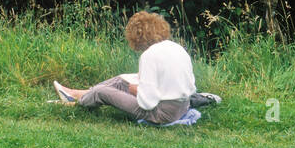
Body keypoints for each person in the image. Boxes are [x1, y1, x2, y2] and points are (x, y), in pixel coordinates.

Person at [53, 11, 199, 125]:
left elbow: (147, 103)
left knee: (101, 92)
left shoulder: (149, 56)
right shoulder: (177, 48)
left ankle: (78, 102)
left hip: (161, 114)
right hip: (183, 107)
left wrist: (136, 90)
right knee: (123, 79)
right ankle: (76, 94)